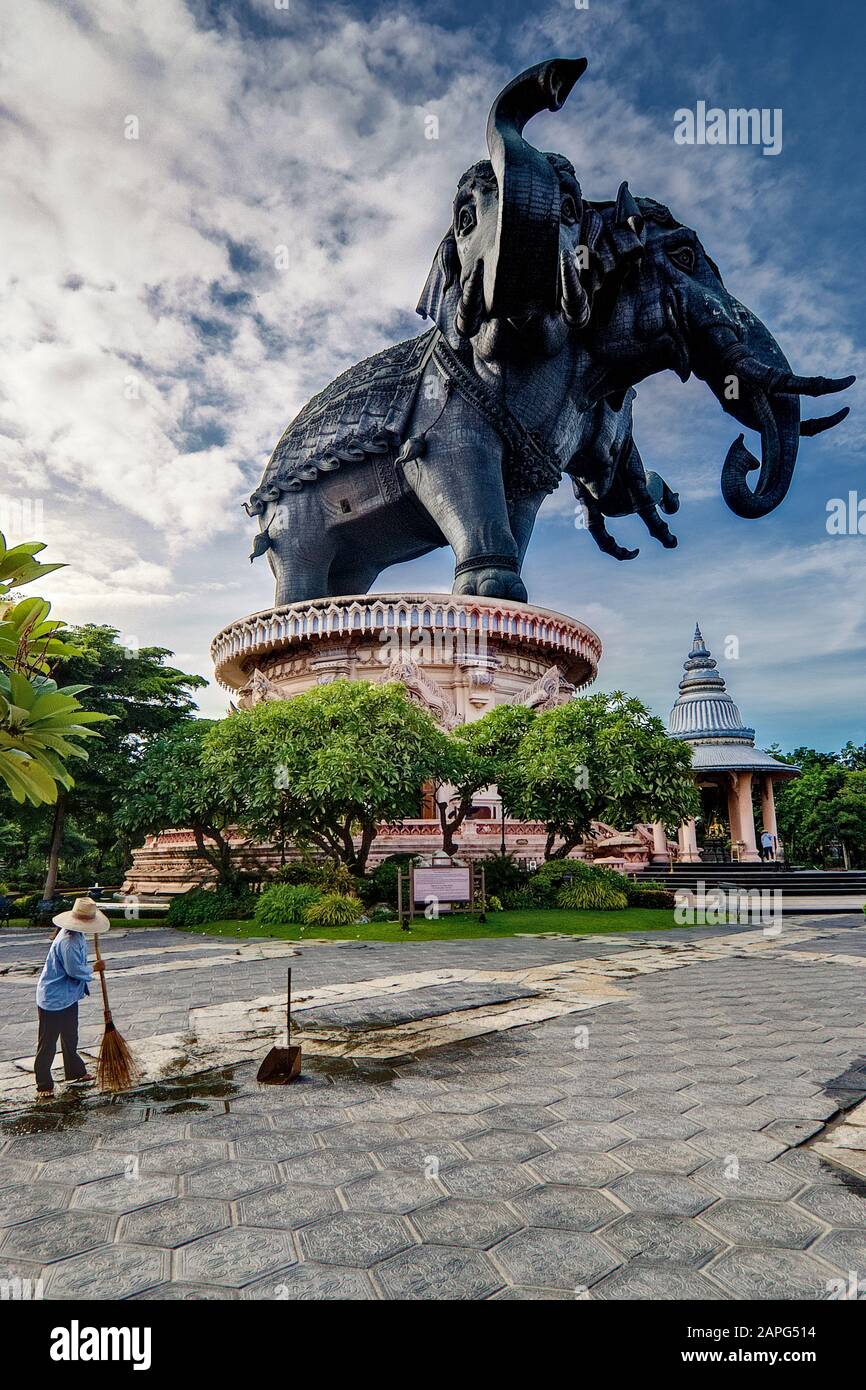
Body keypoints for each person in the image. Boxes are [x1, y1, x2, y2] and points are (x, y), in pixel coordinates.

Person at [34, 896, 107, 1099]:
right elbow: (74, 970)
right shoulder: (68, 940)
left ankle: (75, 1071)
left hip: (68, 996)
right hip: (54, 998)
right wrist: (94, 967)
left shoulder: (78, 936)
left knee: (70, 1036)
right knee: (48, 1042)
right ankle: (43, 1084)